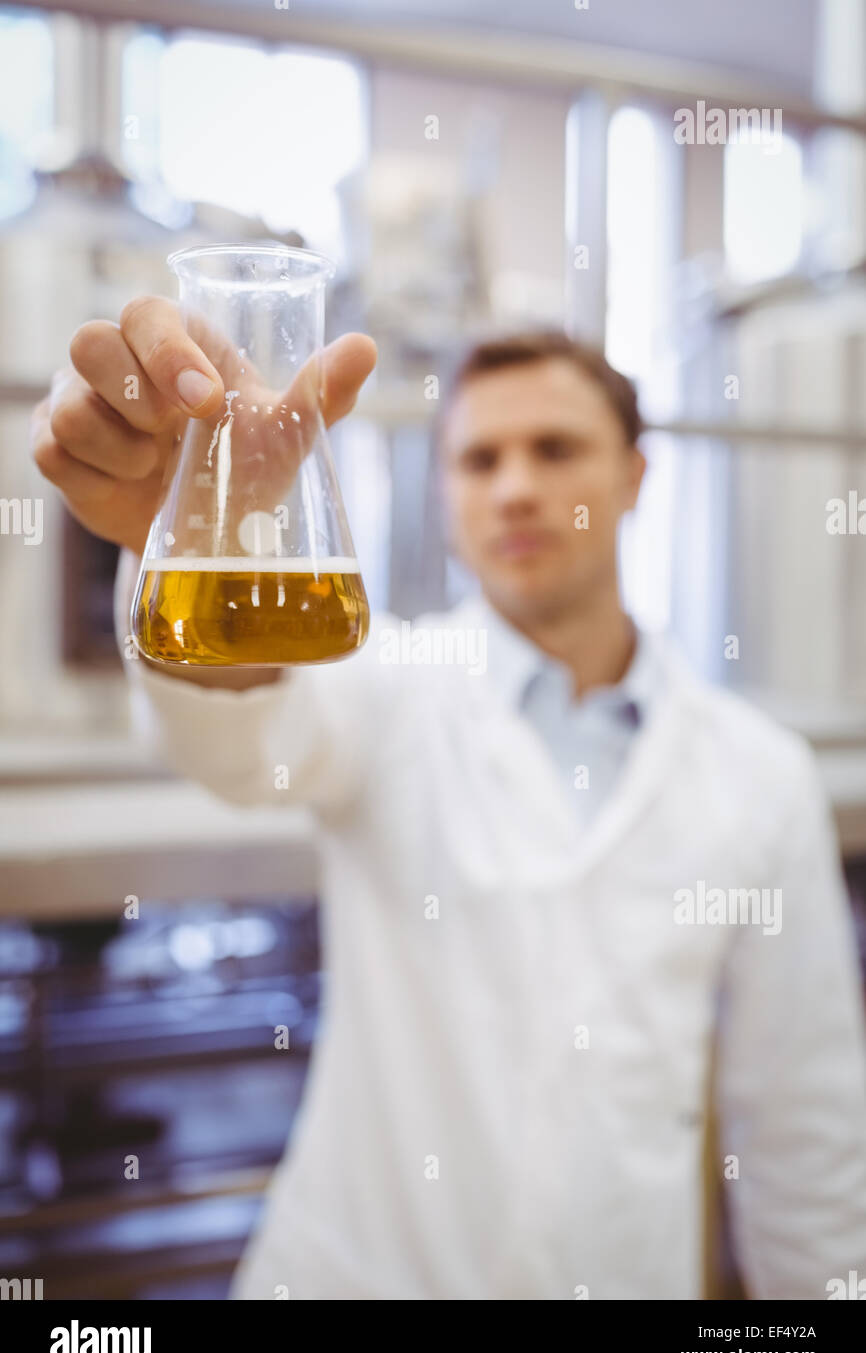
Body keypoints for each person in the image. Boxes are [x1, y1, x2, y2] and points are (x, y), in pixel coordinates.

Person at [31, 302, 866, 1300]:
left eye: (554, 450)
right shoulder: (387, 684)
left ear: (634, 477)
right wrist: (191, 545)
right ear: (446, 493)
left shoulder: (757, 773)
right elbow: (241, 739)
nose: (514, 488)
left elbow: (803, 1127)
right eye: (479, 460)